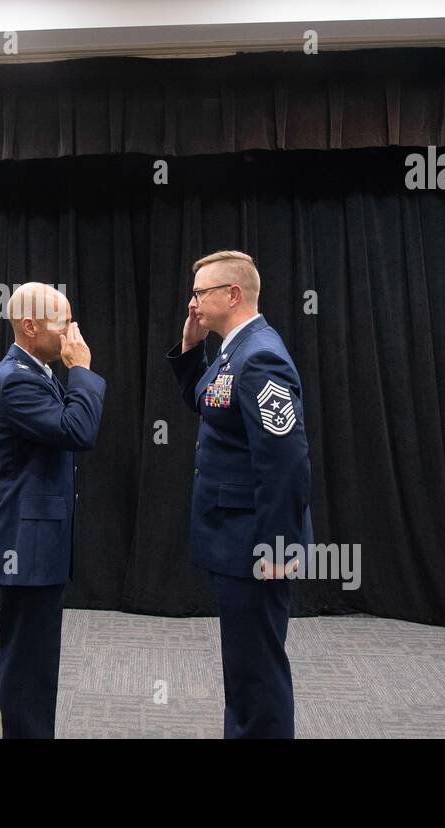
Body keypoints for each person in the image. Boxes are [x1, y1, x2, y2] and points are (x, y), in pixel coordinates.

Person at [167, 250, 312, 738]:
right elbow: (210, 405)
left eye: (199, 293)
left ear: (232, 294)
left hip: (255, 544)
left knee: (257, 674)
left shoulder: (260, 356)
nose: (192, 304)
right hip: (235, 541)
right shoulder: (234, 350)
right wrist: (191, 351)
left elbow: (286, 460)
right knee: (245, 669)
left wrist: (279, 543)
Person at [0, 283, 104, 738]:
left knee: (34, 663)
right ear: (30, 327)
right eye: (63, 322)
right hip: (25, 544)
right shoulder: (16, 379)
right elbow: (78, 430)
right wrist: (83, 372)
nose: (72, 332)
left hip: (36, 541)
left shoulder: (35, 370)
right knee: (26, 668)